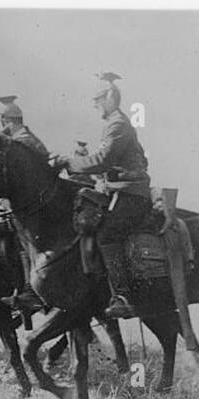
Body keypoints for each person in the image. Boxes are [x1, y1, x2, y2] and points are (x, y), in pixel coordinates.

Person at [53, 74, 151, 319]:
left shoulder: (117, 124)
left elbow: (102, 160)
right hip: (120, 191)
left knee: (107, 233)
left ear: (109, 97)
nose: (94, 104)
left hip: (132, 195)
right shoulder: (112, 123)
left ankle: (123, 296)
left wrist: (69, 161)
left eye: (97, 98)